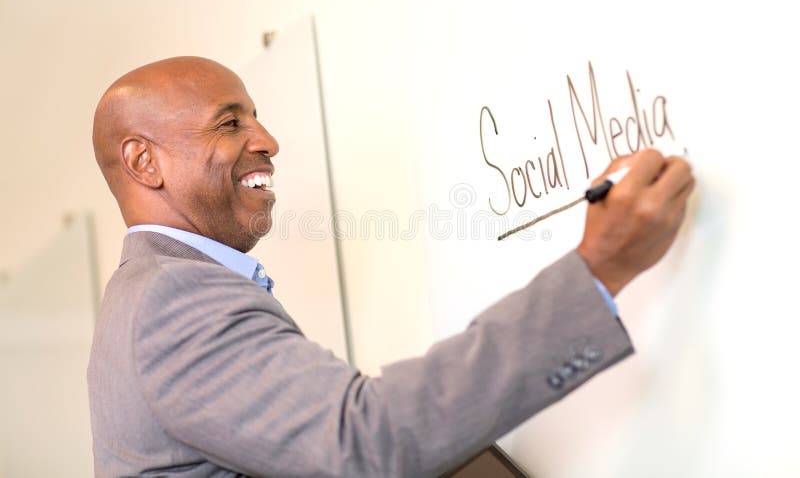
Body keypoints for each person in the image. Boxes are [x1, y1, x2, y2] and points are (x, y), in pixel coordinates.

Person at [87, 56, 694, 478]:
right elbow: (365, 440)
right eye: (230, 122)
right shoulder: (174, 297)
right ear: (144, 161)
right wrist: (597, 269)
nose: (268, 140)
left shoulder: (151, 294)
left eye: (256, 116)